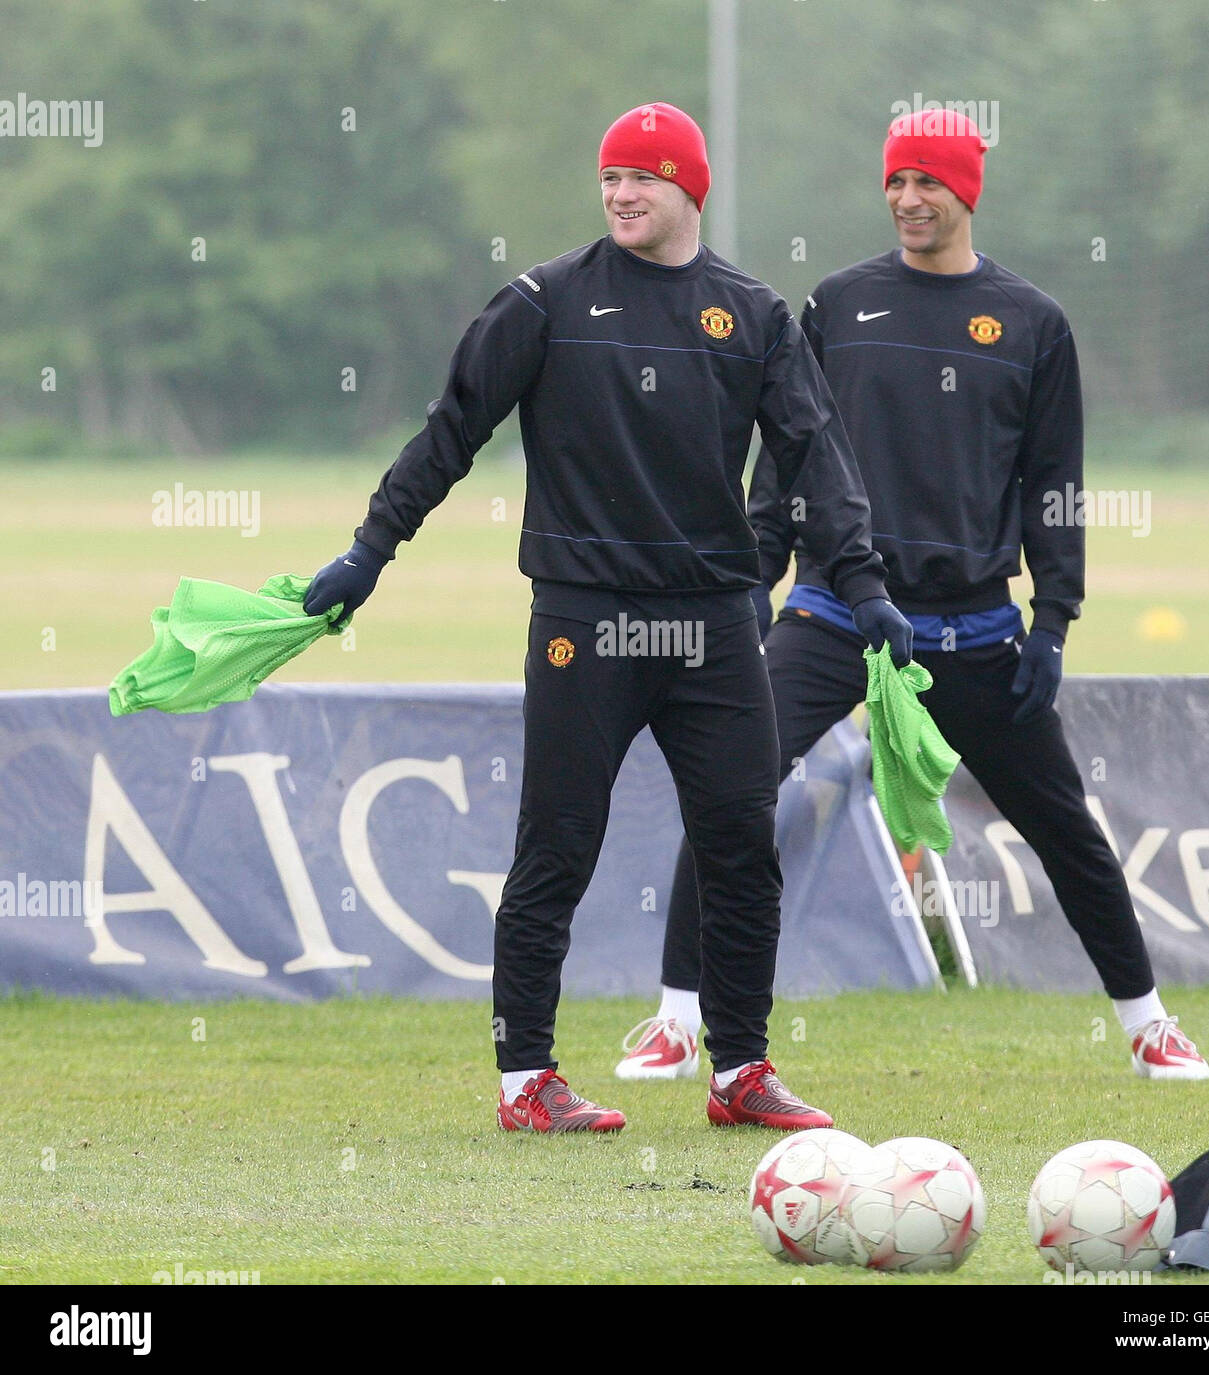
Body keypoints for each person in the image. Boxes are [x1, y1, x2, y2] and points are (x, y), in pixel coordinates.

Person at [304, 102, 913, 1133]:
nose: (621, 194)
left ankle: (740, 1070)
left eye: (642, 178)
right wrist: (372, 549)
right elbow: (449, 432)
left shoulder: (752, 315)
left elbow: (819, 460)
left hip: (717, 624)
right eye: (609, 180)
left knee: (739, 844)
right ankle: (526, 1080)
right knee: (558, 846)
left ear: (689, 189)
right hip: (583, 620)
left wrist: (863, 585)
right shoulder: (545, 300)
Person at [617, 109, 1209, 1084]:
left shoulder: (1031, 323)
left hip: (972, 626)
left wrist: (1053, 619)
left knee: (1063, 824)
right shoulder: (838, 305)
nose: (907, 201)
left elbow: (1052, 485)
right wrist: (745, 589)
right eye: (895, 183)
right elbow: (788, 465)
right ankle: (679, 1018)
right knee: (731, 790)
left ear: (964, 192)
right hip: (833, 613)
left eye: (927, 184)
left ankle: (1148, 1023)